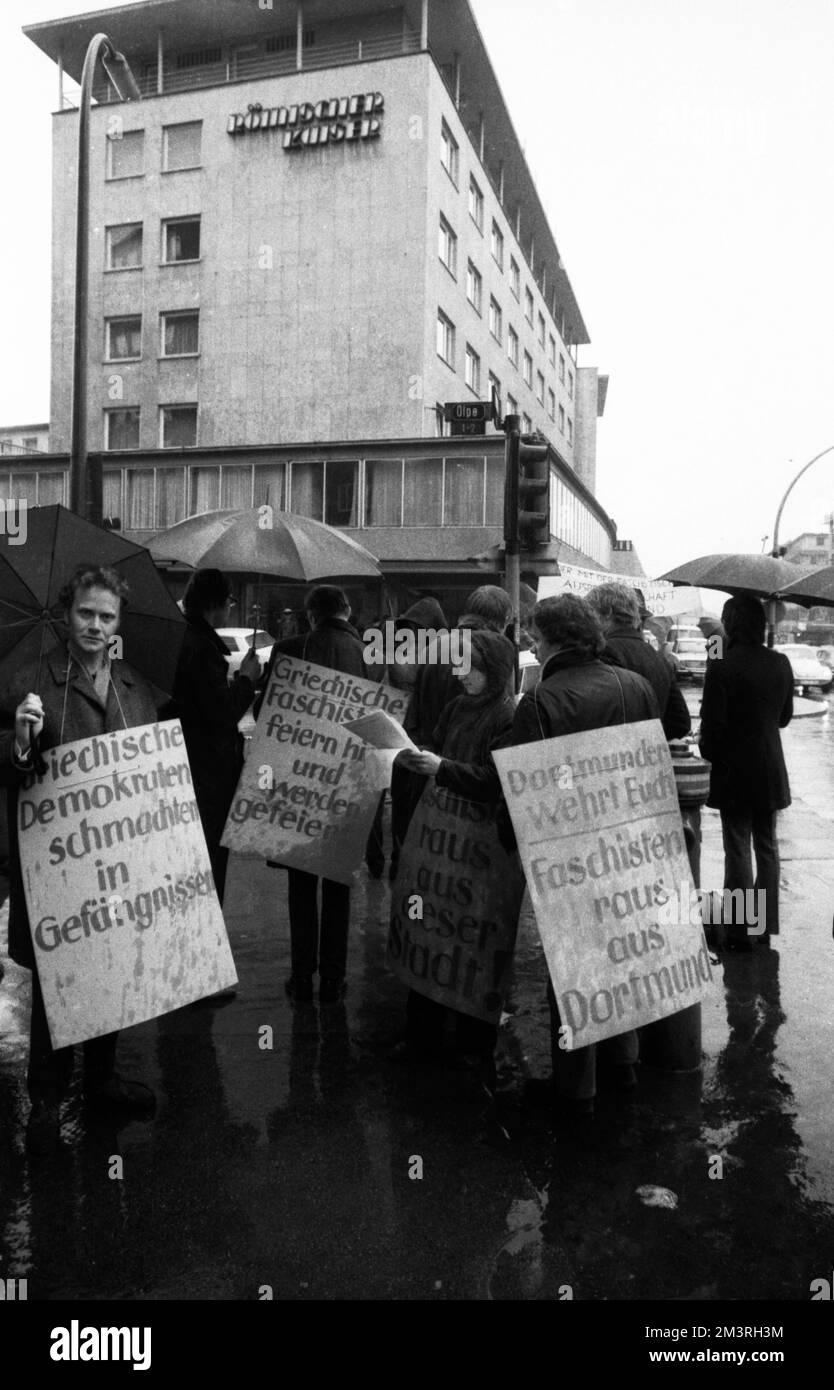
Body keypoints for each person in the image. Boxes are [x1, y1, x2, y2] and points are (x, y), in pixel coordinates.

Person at [0, 565, 161, 1138]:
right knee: (56, 979)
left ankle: (101, 1081)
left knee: (110, 971)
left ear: (118, 623)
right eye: (86, 613)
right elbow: (7, 766)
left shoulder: (135, 688)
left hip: (116, 865)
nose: (95, 625)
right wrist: (19, 739)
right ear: (67, 616)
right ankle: (45, 1098)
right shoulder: (28, 682)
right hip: (57, 869)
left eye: (106, 616)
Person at [509, 595, 659, 1116]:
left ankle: (577, 1091)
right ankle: (625, 1065)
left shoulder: (540, 702)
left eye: (536, 636)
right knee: (621, 957)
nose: (531, 643)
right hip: (632, 847)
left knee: (571, 974)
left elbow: (526, 792)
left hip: (570, 857)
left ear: (553, 641)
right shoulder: (636, 687)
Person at [392, 629, 517, 1065]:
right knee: (431, 933)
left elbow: (493, 780)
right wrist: (416, 754)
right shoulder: (458, 706)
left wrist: (441, 767)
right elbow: (435, 744)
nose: (458, 673)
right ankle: (422, 1034)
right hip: (441, 844)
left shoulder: (507, 717)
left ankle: (472, 1044)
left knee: (473, 943)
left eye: (469, 667)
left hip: (480, 853)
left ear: (494, 671)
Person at [255, 585, 366, 1003]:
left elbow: (265, 714)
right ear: (347, 609)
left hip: (298, 780)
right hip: (348, 781)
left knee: (301, 886)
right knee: (337, 884)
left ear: (310, 614)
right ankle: (334, 979)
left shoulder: (287, 649)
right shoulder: (367, 654)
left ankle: (301, 974)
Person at [390, 585, 514, 879]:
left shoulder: (435, 645)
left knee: (422, 867)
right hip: (466, 788)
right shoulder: (496, 653)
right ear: (503, 619)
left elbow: (415, 705)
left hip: (427, 773)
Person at [698, 595, 793, 950]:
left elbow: (712, 725)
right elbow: (783, 718)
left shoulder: (721, 663)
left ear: (731, 624)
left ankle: (740, 930)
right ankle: (763, 926)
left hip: (734, 770)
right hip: (771, 770)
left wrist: (709, 751)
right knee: (766, 847)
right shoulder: (780, 661)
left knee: (738, 846)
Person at [171, 569, 260, 905]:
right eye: (230, 602)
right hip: (205, 778)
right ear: (216, 604)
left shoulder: (183, 637)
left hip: (184, 769)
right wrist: (247, 681)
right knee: (207, 870)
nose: (231, 609)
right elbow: (221, 715)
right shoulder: (201, 648)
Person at [586, 582, 691, 741]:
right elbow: (680, 723)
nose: (587, 621)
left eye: (590, 613)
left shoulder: (604, 652)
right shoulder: (658, 658)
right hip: (650, 754)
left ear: (607, 613)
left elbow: (599, 717)